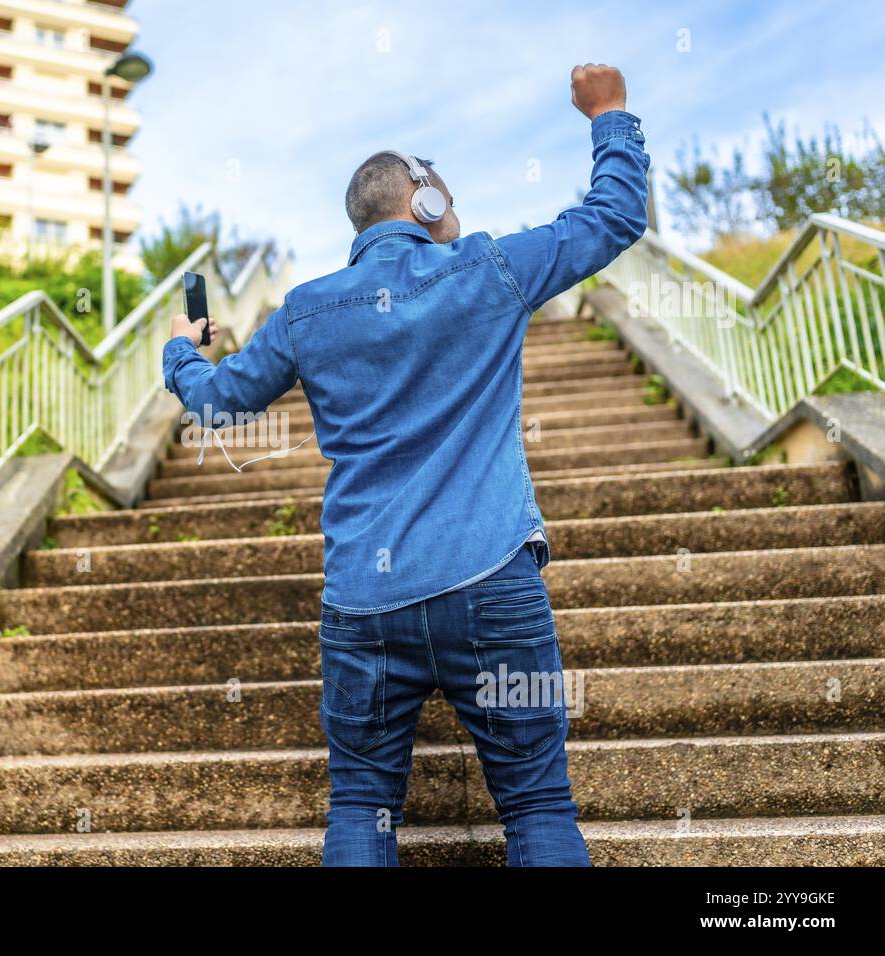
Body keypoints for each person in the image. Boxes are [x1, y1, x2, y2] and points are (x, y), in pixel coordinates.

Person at [161, 65, 649, 866]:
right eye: (445, 196)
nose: (454, 209)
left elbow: (218, 406)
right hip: (490, 578)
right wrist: (609, 114)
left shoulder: (308, 310)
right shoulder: (490, 268)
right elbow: (613, 215)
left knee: (360, 804)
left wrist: (183, 349)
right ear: (423, 200)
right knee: (536, 805)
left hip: (366, 601)